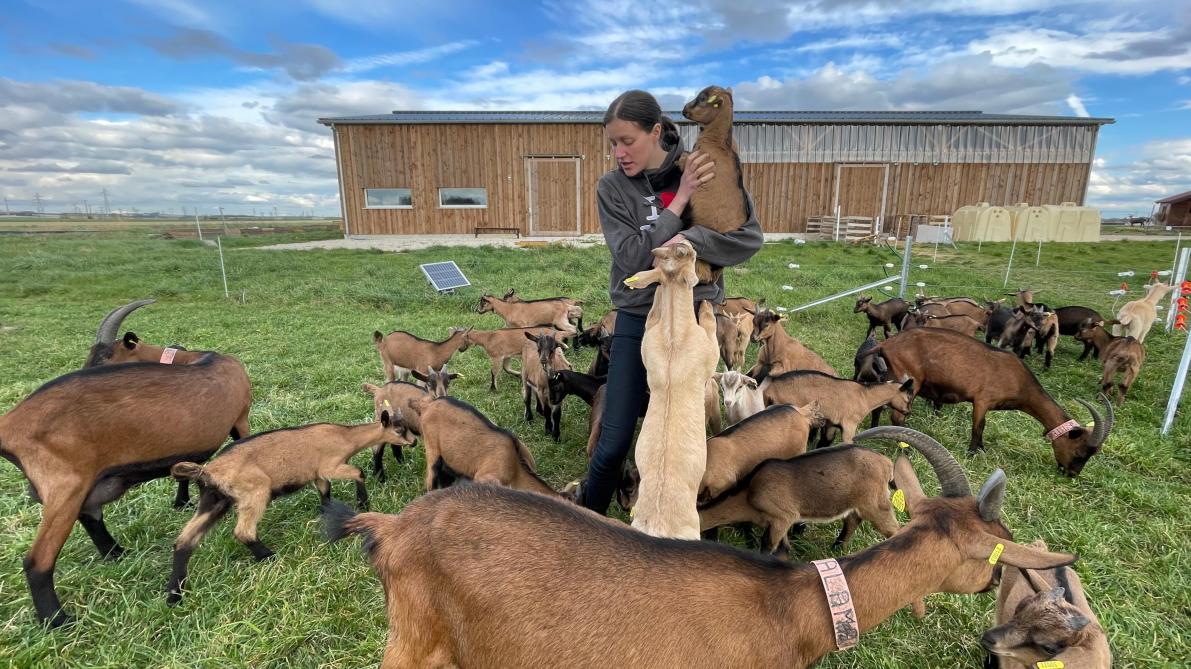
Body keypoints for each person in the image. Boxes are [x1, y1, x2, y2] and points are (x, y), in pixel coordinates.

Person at [580, 89, 764, 514]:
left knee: (683, 439)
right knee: (613, 444)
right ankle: (586, 524)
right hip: (638, 316)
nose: (619, 152)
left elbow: (748, 238)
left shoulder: (705, 166)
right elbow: (630, 257)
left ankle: (685, 528)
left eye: (628, 141)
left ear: (656, 132)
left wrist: (691, 239)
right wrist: (680, 200)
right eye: (612, 142)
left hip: (693, 320)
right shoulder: (612, 188)